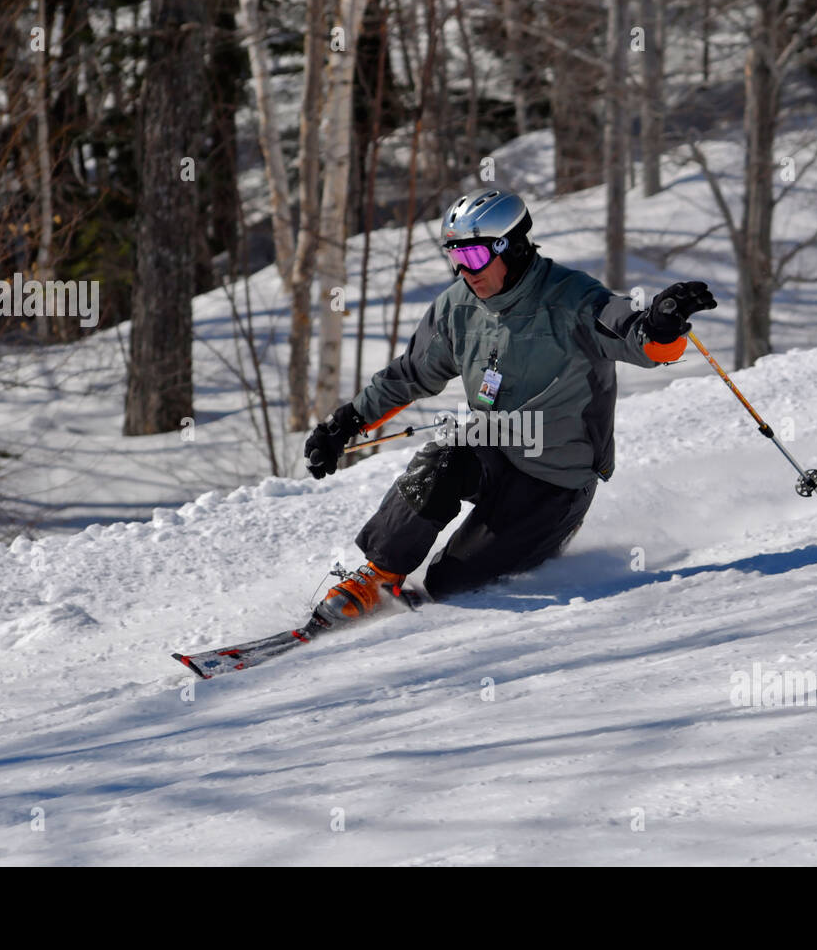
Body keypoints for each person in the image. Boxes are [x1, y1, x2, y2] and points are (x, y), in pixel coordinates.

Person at [303, 188, 717, 625]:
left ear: (512, 247)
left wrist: (662, 324)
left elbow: (639, 340)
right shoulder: (457, 308)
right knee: (439, 460)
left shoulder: (572, 299)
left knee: (451, 586)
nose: (466, 271)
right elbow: (410, 374)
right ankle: (378, 577)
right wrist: (345, 423)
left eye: (476, 257)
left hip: (555, 479)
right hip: (492, 450)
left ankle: (546, 534)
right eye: (456, 257)